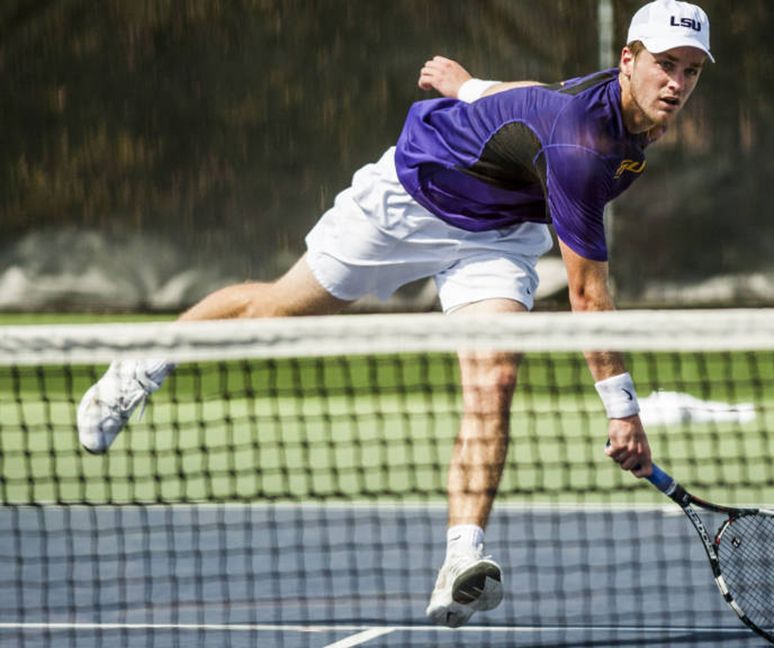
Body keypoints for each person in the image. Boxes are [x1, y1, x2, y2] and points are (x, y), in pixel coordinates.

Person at [76, 0, 713, 628]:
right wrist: (624, 411)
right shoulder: (584, 145)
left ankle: (462, 556)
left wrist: (470, 86)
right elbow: (588, 296)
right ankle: (144, 363)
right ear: (628, 60)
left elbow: (535, 92)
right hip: (412, 195)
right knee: (275, 309)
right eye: (666, 64)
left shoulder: (623, 110)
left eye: (691, 70)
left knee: (495, 378)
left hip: (494, 238)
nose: (677, 83)